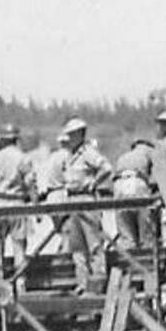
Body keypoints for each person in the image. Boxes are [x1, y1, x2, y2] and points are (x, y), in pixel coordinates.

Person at [59, 116, 113, 286]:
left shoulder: (88, 153)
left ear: (80, 135)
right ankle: (82, 282)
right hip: (72, 200)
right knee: (77, 245)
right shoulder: (70, 156)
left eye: (73, 134)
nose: (70, 138)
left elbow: (106, 167)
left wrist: (94, 182)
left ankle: (98, 280)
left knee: (94, 243)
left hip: (86, 199)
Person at [0, 123, 35, 269]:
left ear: (1, 140)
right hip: (17, 205)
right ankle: (20, 282)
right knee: (19, 246)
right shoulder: (23, 158)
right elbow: (31, 184)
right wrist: (35, 204)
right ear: (16, 139)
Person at [112, 139, 155, 249]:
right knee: (145, 229)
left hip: (119, 185)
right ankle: (146, 258)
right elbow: (155, 180)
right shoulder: (148, 153)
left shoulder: (124, 157)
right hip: (137, 181)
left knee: (125, 229)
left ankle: (129, 259)